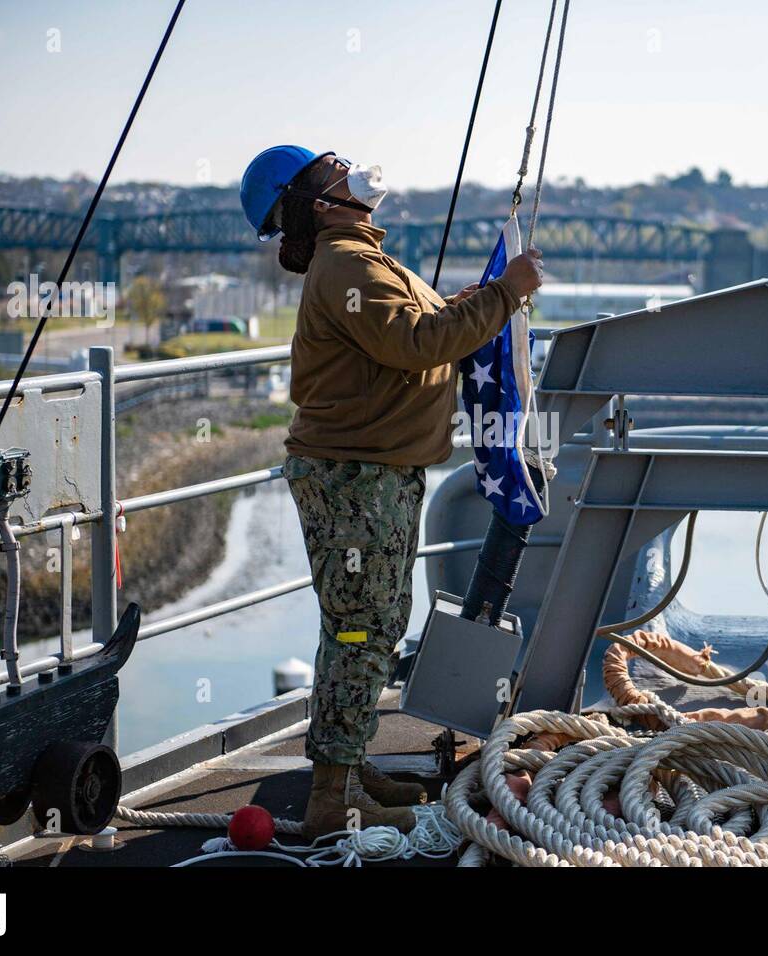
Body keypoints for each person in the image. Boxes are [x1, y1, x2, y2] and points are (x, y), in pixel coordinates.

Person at [239, 146, 544, 837]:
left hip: (373, 473)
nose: (349, 168)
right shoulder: (348, 264)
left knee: (364, 627)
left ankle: (343, 771)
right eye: (334, 165)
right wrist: (506, 293)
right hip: (356, 478)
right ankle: (329, 800)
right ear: (317, 198)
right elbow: (417, 343)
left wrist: (477, 303)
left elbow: (422, 324)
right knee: (359, 631)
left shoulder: (363, 259)